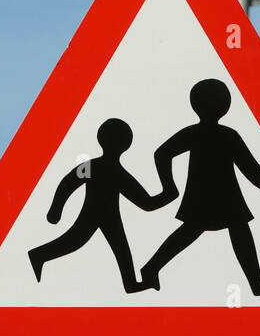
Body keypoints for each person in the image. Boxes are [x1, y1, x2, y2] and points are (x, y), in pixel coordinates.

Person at [140, 78, 260, 296]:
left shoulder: (203, 133)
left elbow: (162, 154)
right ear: (225, 105)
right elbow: (251, 170)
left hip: (218, 196)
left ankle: (256, 283)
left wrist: (168, 187)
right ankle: (151, 268)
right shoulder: (225, 135)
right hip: (216, 195)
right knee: (212, 230)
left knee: (218, 229)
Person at [28, 118, 169, 292]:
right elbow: (147, 203)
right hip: (95, 214)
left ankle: (130, 283)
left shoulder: (99, 167)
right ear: (127, 145)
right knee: (76, 241)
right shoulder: (115, 172)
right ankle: (38, 255)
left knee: (110, 247)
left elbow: (68, 182)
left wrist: (56, 209)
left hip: (108, 216)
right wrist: (168, 194)